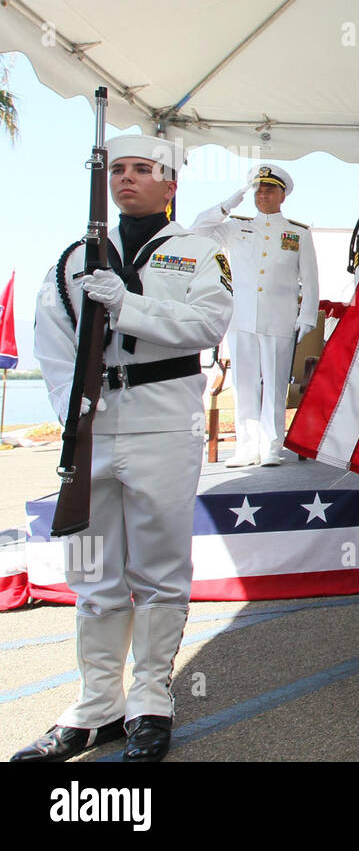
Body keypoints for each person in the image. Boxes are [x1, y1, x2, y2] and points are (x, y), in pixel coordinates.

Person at [14, 134, 233, 763]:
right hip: (93, 431)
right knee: (92, 573)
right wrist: (70, 412)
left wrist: (128, 307)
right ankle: (96, 705)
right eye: (119, 170)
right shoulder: (77, 256)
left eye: (142, 170)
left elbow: (208, 325)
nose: (127, 180)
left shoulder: (198, 253)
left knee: (161, 573)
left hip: (164, 426)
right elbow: (52, 340)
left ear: (170, 184)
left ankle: (150, 701)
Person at [191, 163, 319, 467]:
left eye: (270, 189)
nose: (263, 194)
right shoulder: (236, 226)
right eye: (259, 189)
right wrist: (228, 203)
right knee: (245, 384)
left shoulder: (297, 232)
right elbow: (198, 230)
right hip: (242, 318)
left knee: (275, 384)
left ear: (282, 195)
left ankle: (272, 446)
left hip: (280, 318)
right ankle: (246, 447)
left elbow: (311, 278)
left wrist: (307, 318)